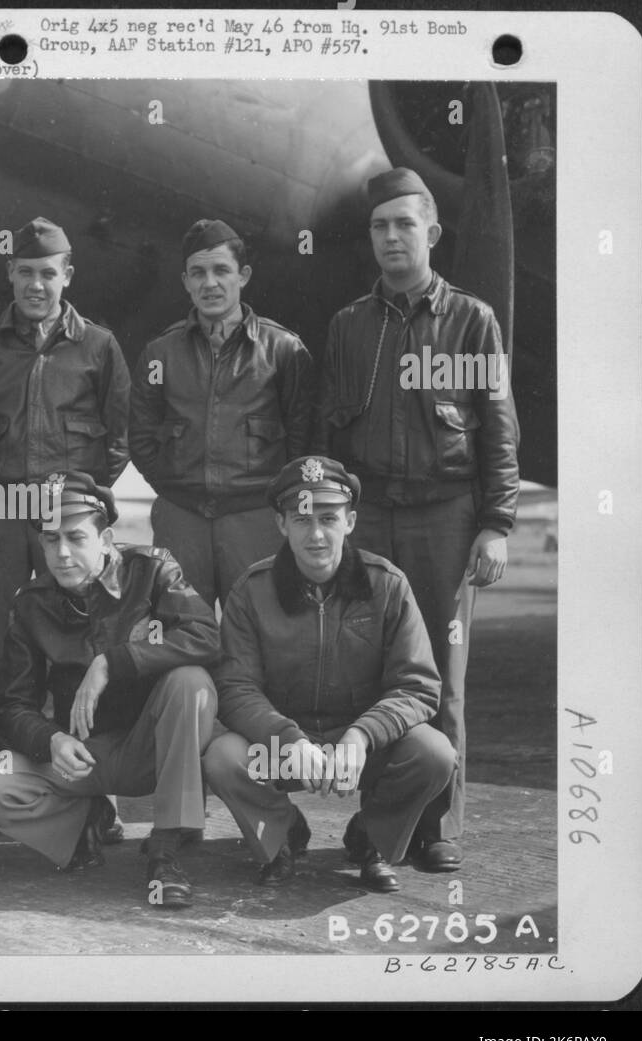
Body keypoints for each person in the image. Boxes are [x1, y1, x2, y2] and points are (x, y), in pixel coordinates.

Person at [313, 168, 520, 872]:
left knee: (443, 679)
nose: (392, 237)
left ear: (431, 233)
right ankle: (382, 822)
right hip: (372, 521)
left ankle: (440, 829)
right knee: (375, 677)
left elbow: (497, 425)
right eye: (380, 226)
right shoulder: (348, 326)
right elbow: (333, 440)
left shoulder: (473, 319)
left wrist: (496, 522)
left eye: (405, 225)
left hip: (446, 516)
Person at [0, 472, 221, 909]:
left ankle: (166, 849)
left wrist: (113, 661)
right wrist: (51, 739)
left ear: (105, 538)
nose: (62, 553)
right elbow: (13, 705)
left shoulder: (152, 571)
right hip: (84, 756)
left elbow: (205, 637)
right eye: (50, 540)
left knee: (190, 682)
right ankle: (87, 820)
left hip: (154, 745)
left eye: (75, 537)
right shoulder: (32, 603)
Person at [203, 455, 455, 892]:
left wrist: (362, 735)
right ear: (281, 525)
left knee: (434, 753)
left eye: (328, 518)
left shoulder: (387, 585)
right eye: (301, 520)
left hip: (361, 748)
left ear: (350, 520)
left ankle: (371, 839)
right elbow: (235, 687)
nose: (316, 534)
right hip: (284, 748)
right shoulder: (251, 591)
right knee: (223, 757)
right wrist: (288, 737)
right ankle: (282, 834)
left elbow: (418, 685)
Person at [0, 216, 131, 696]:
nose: (36, 285)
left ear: (67, 276)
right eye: (26, 272)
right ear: (10, 273)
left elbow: (119, 436)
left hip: (67, 511)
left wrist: (82, 499)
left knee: (77, 626)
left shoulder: (99, 346)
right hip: (1, 510)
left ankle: (78, 736)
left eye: (48, 274)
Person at [130, 218, 312, 613]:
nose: (209, 283)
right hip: (182, 520)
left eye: (221, 271)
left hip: (255, 519)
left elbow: (303, 439)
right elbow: (141, 439)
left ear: (243, 276)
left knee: (262, 630)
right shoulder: (160, 354)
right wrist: (179, 487)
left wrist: (269, 499)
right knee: (177, 631)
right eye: (198, 273)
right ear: (185, 281)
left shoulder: (283, 350)